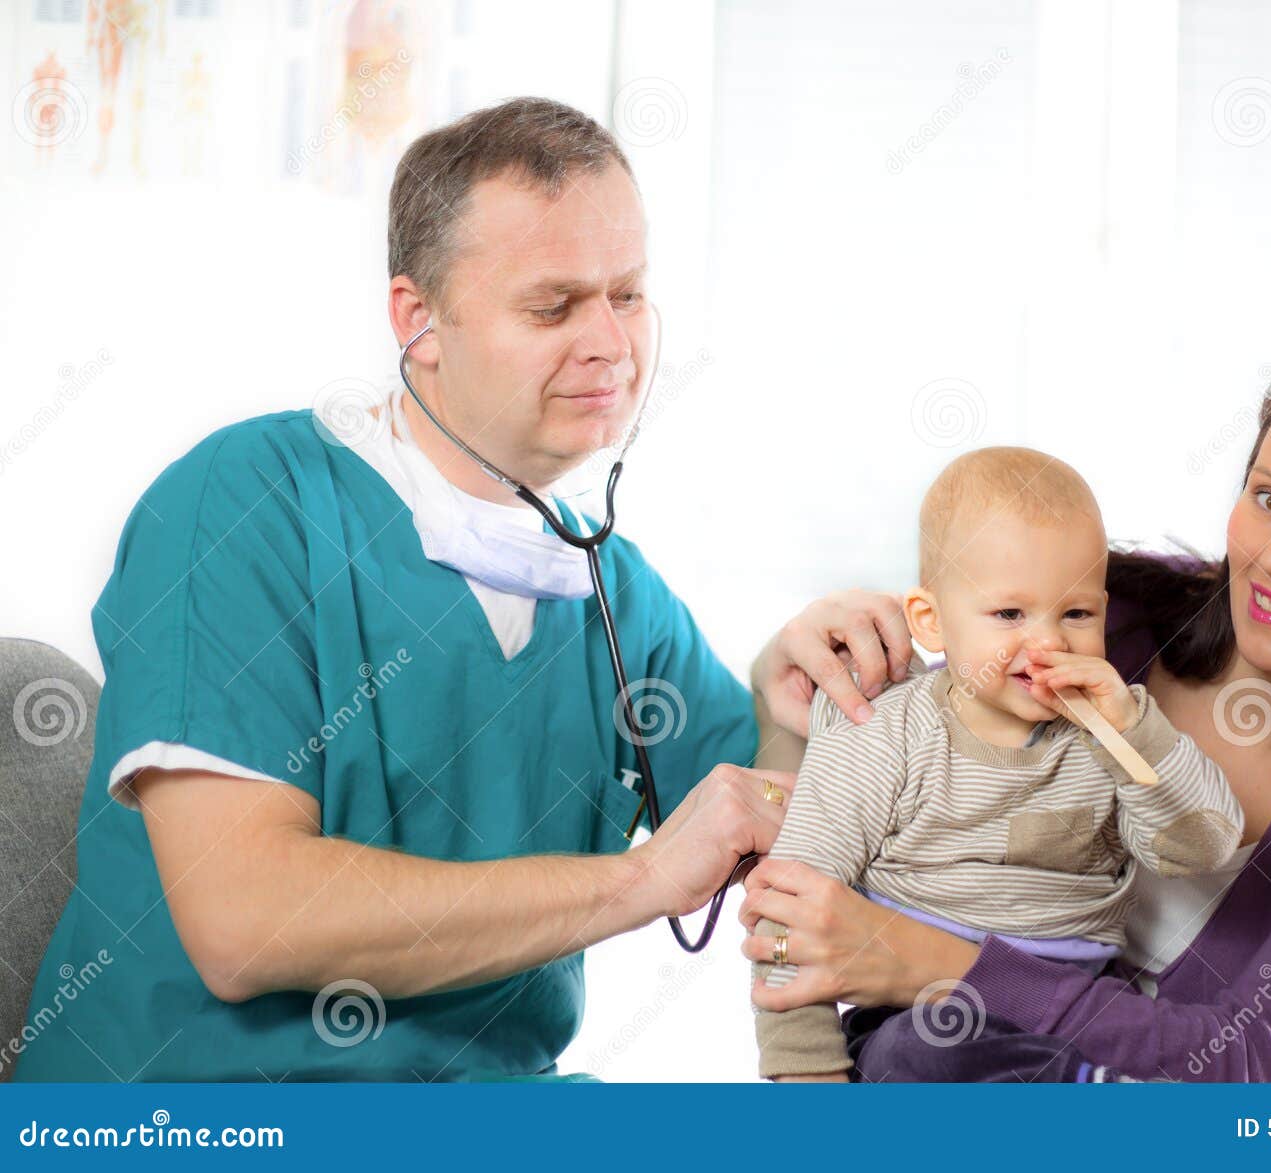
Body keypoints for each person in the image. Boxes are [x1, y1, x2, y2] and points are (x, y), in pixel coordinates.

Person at [12, 97, 826, 1082]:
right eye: (553, 306)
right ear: (420, 320)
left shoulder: (607, 589)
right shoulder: (242, 506)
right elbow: (245, 922)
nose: (612, 344)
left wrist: (799, 688)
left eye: (628, 294)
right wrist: (644, 878)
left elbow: (785, 827)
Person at [743, 359, 1271, 1081]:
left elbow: (1246, 1060)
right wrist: (788, 683)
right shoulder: (1112, 620)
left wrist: (938, 963)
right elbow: (838, 824)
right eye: (1270, 498)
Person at [751, 447, 1244, 1081]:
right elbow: (788, 907)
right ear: (931, 620)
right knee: (917, 1054)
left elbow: (1201, 846)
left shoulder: (1110, 731)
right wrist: (808, 1081)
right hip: (921, 1012)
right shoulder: (883, 732)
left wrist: (1133, 732)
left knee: (1119, 1046)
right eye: (1009, 614)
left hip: (1075, 1006)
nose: (1047, 642)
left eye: (1076, 614)